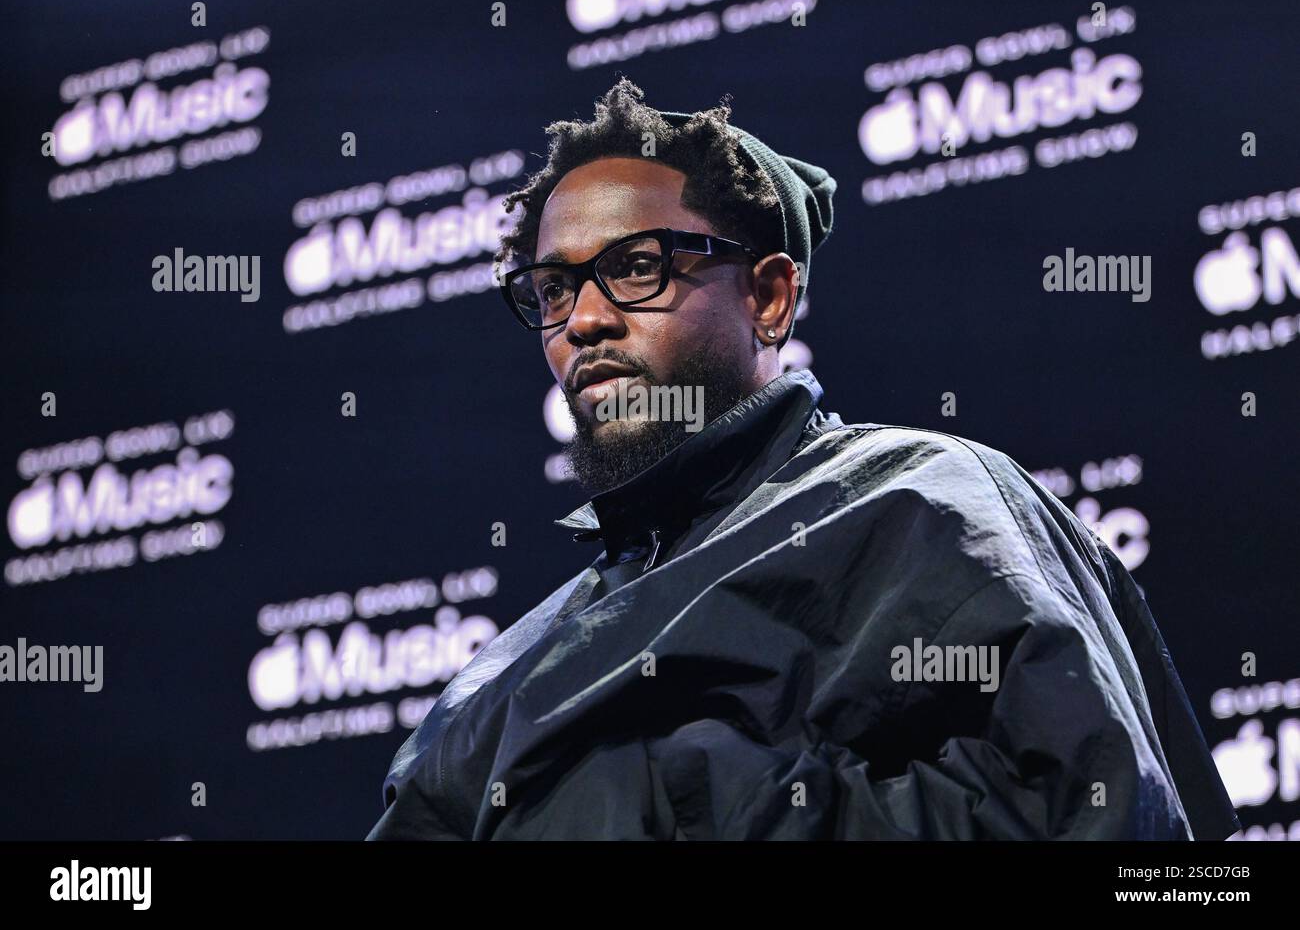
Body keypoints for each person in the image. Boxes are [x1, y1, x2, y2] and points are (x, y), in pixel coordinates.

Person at [366, 78, 1238, 840]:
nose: (584, 320)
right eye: (554, 290)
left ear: (770, 296)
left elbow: (1098, 818)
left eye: (636, 267)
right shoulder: (507, 668)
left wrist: (667, 798)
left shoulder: (917, 504)